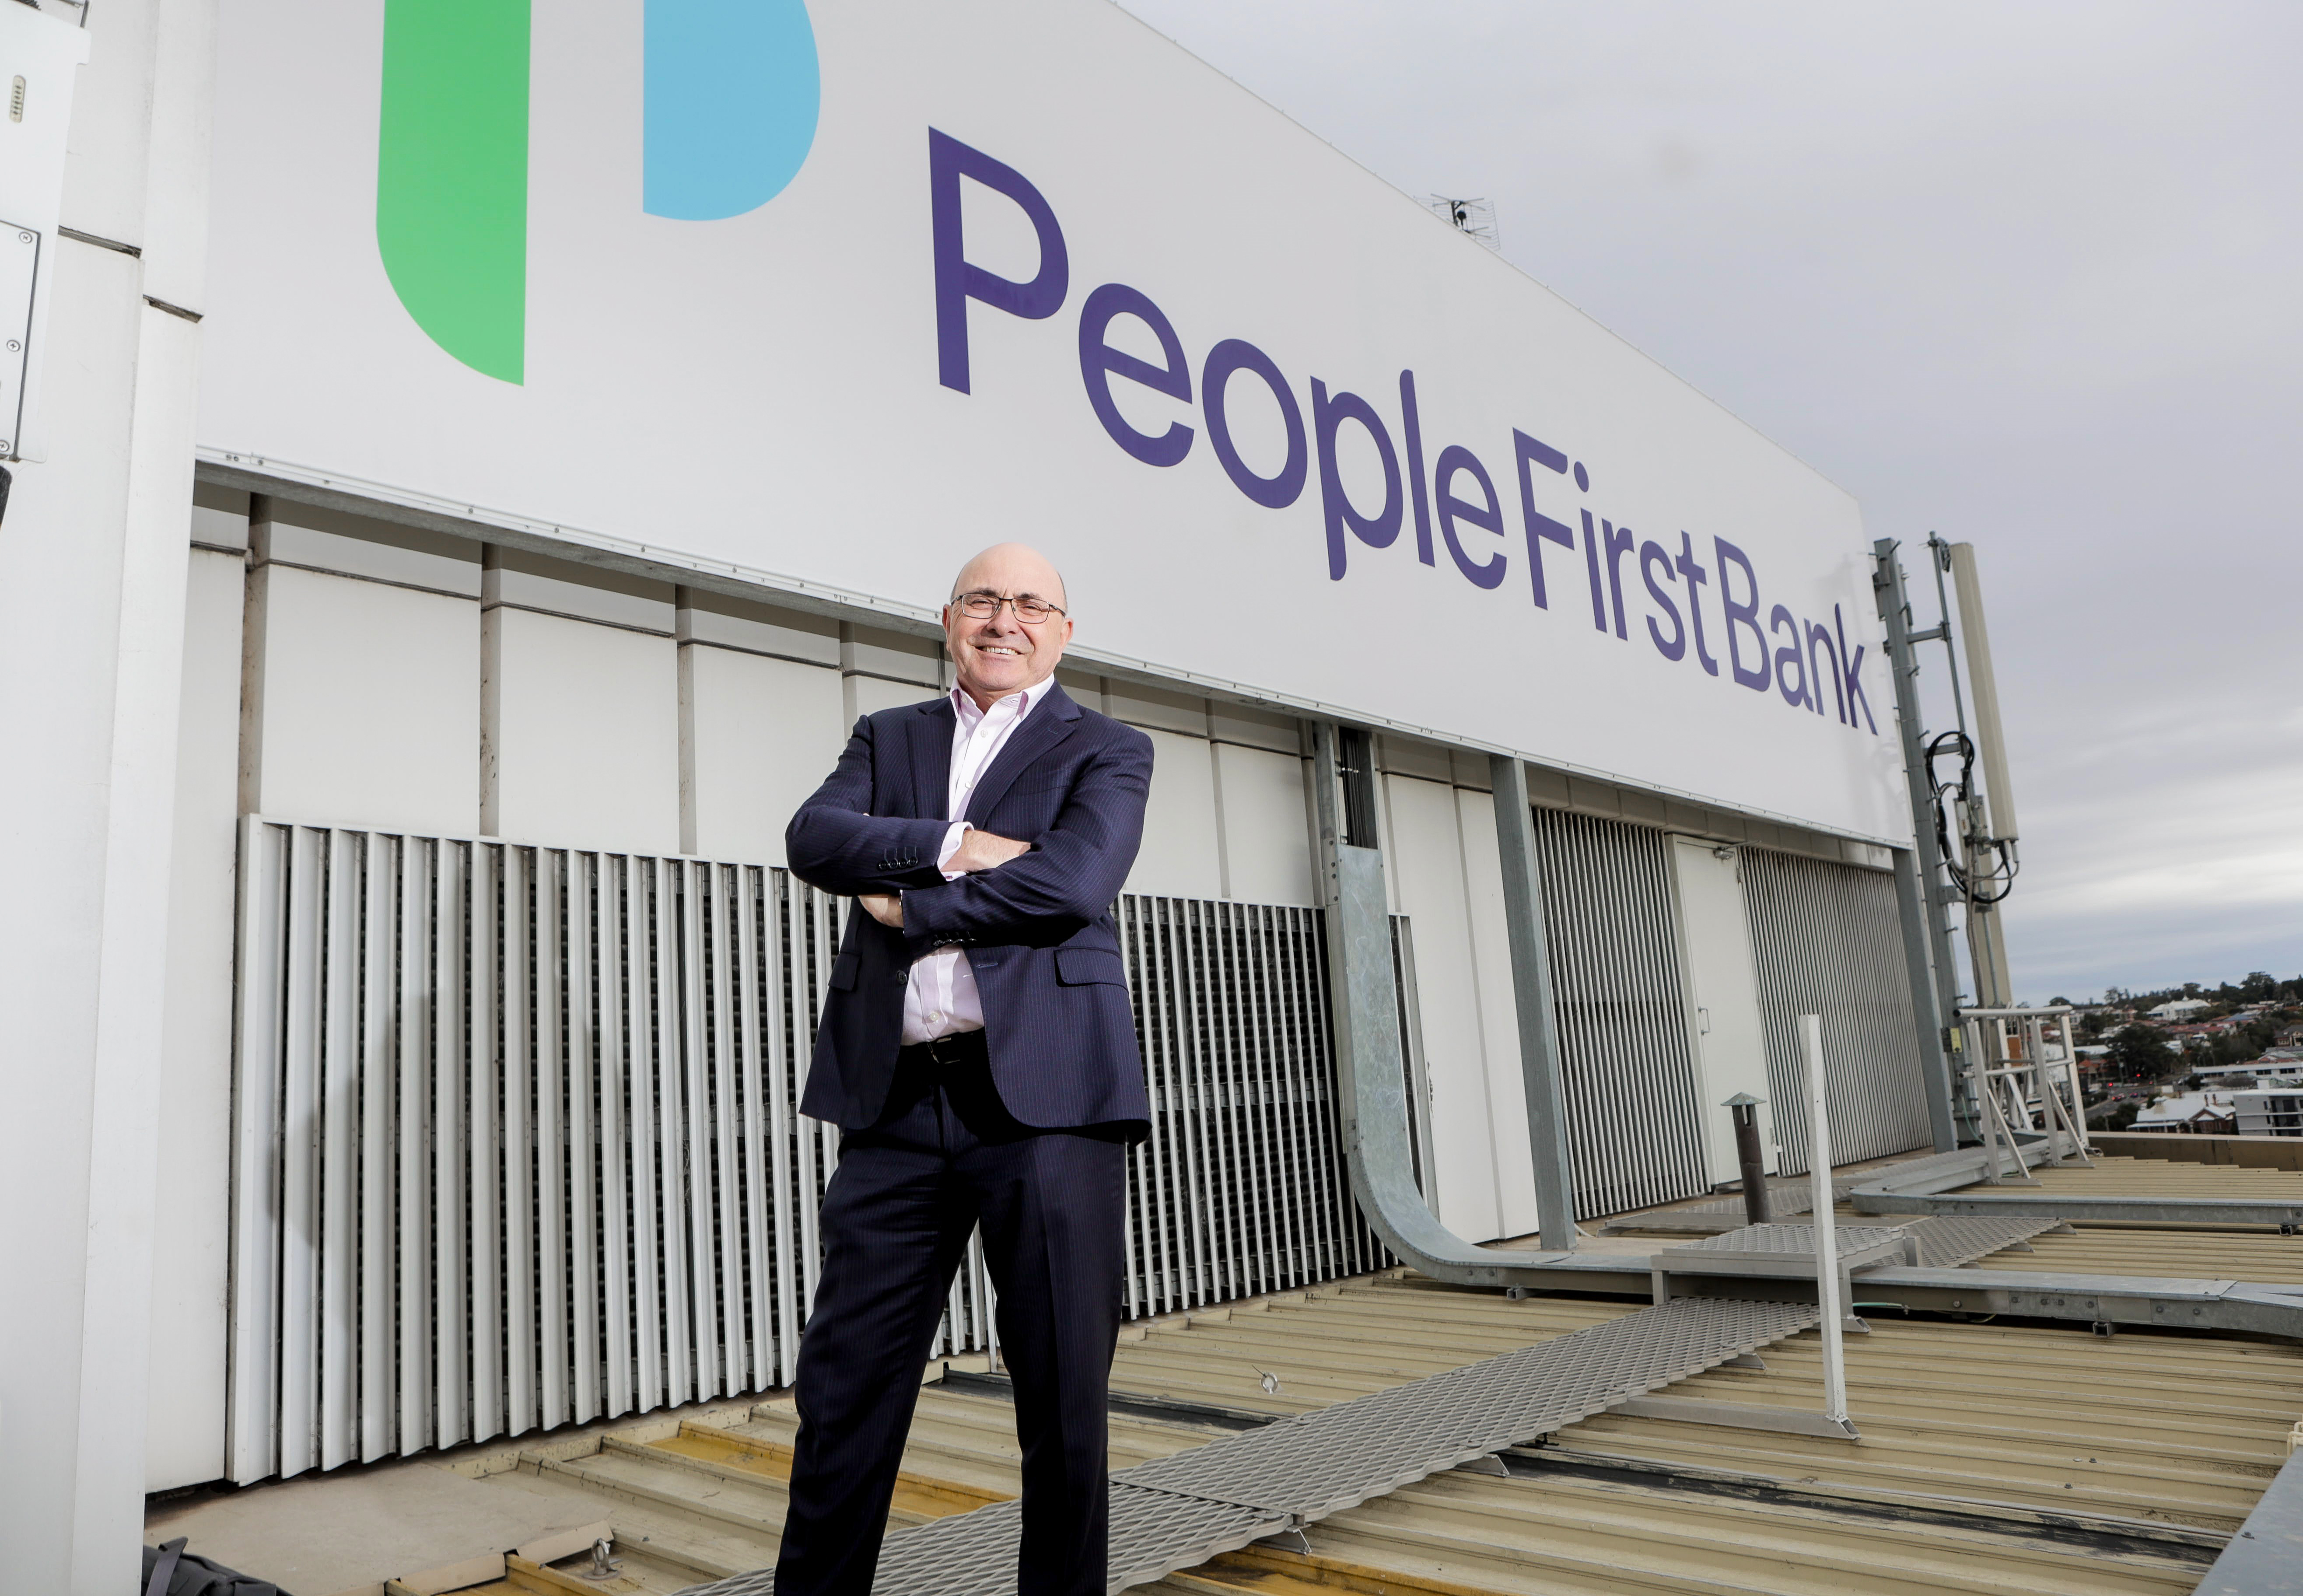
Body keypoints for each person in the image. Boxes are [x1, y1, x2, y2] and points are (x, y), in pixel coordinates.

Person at [774, 542, 1155, 1595]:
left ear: (1063, 632)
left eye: (1032, 603)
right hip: (894, 1106)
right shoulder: (886, 736)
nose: (1005, 619)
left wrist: (911, 897)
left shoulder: (1109, 748)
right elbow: (815, 838)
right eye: (984, 599)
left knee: (1063, 1403)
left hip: (1047, 1110)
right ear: (949, 620)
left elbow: (1073, 886)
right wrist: (966, 843)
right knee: (844, 1392)